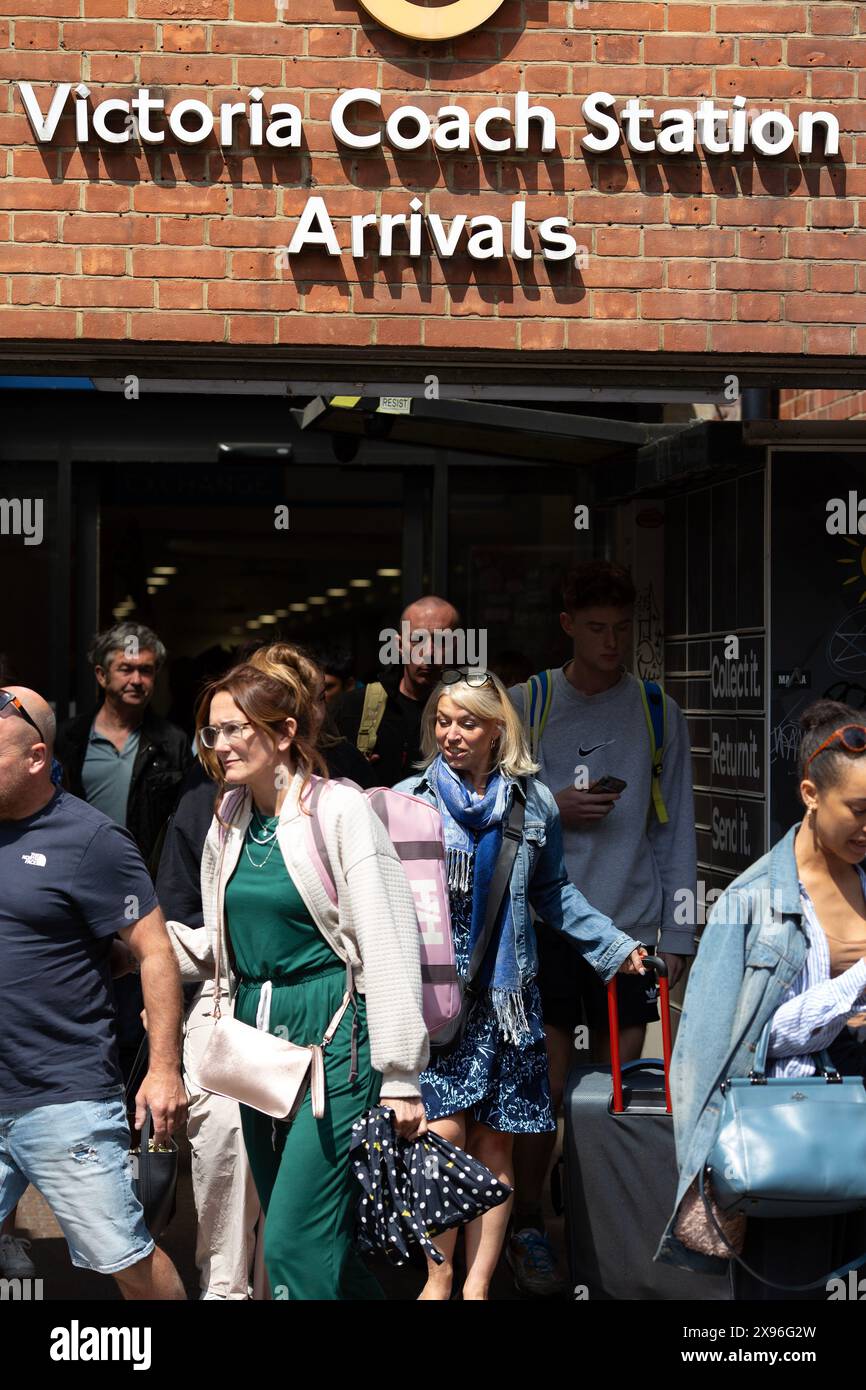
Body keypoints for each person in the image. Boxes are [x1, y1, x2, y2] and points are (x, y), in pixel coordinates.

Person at [168, 660, 429, 1301]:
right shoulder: (227, 816)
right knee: (326, 1248)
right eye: (211, 733)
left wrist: (399, 1077)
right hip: (255, 1043)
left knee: (288, 1239)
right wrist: (146, 952)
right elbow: (226, 941)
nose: (220, 746)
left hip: (333, 1042)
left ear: (284, 732)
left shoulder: (340, 811)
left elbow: (389, 942)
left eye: (236, 730)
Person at [394, 668, 646, 1301]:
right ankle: (438, 1275)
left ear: (497, 730)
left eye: (467, 722)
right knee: (441, 1135)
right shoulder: (407, 802)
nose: (451, 734)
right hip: (436, 1002)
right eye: (443, 721)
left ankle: (478, 1285)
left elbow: (553, 892)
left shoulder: (533, 803)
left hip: (508, 999)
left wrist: (615, 947)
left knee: (495, 1142)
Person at [506, 561, 697, 1296]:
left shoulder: (657, 710)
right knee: (544, 1089)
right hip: (548, 928)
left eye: (621, 629)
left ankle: (603, 1225)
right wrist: (554, 803)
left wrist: (676, 938)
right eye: (596, 628)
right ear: (568, 627)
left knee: (620, 1088)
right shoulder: (532, 701)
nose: (611, 642)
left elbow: (677, 825)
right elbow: (491, 806)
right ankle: (529, 1221)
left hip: (633, 928)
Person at [658, 700, 866, 1300]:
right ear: (810, 794)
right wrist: (701, 1182)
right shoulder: (751, 902)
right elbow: (719, 1049)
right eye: (857, 809)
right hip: (793, 1135)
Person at [0, 686, 187, 1298]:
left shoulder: (90, 840)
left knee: (127, 1262)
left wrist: (163, 1072)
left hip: (63, 1095)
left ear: (35, 758)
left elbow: (153, 952)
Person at [56, 621, 192, 1086]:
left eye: (147, 671)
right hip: (74, 896)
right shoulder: (69, 742)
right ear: (100, 675)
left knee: (139, 1020)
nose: (137, 680)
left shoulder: (174, 744)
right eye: (126, 669)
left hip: (142, 899)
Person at [333, 594, 460, 786]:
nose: (428, 653)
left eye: (442, 641)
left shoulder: (471, 713)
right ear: (400, 645)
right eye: (417, 639)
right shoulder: (354, 708)